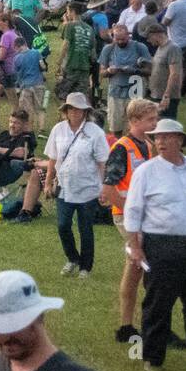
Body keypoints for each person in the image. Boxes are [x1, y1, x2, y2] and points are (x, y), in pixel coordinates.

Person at [123, 118, 186, 371]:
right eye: (157, 138)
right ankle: (153, 356)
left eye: (166, 137)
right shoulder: (146, 172)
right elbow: (133, 211)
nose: (160, 142)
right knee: (159, 302)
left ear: (179, 140)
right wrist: (135, 247)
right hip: (160, 244)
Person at [102, 99, 158, 343]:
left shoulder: (148, 145)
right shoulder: (123, 148)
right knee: (141, 265)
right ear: (134, 121)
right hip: (126, 216)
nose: (155, 124)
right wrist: (131, 212)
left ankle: (130, 326)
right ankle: (142, 325)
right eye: (150, 120)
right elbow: (108, 189)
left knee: (135, 268)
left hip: (145, 217)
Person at [43, 93, 110, 279]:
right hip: (64, 185)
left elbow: (102, 162)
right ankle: (73, 258)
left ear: (85, 112)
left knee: (85, 228)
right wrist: (48, 182)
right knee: (63, 225)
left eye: (79, 109)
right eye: (71, 108)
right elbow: (52, 158)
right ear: (66, 110)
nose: (74, 112)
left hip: (88, 187)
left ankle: (85, 267)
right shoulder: (58, 129)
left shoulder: (95, 132)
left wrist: (104, 187)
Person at [98, 24, 150, 135]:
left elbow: (149, 71)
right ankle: (118, 147)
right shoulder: (108, 49)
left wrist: (134, 71)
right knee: (115, 125)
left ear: (128, 35)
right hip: (115, 91)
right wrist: (108, 71)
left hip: (135, 91)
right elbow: (101, 72)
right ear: (113, 37)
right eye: (117, 39)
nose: (120, 42)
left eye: (123, 39)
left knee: (135, 126)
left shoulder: (139, 47)